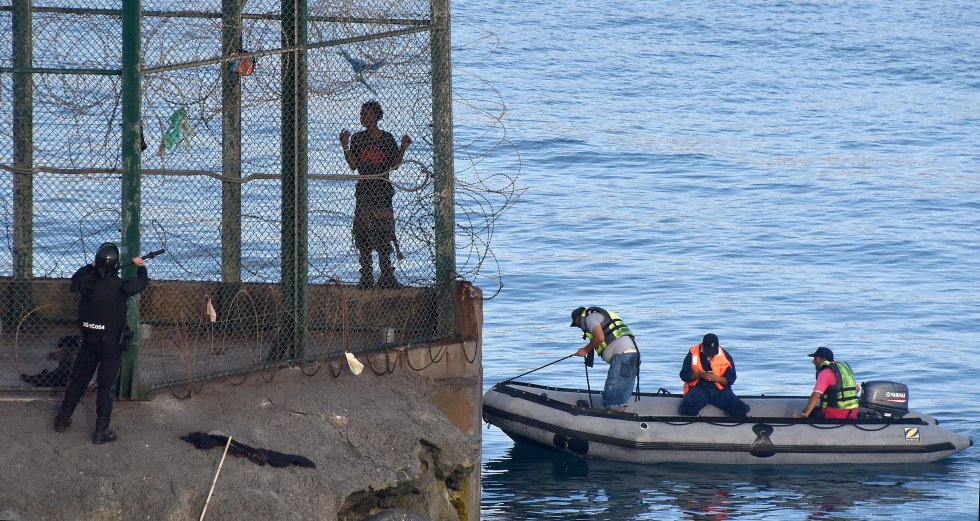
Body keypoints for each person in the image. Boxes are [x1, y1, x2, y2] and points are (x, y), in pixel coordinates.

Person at [53, 242, 149, 444]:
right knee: (106, 387)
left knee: (78, 380)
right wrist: (140, 266)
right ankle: (100, 431)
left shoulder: (85, 282)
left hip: (89, 341)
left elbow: (76, 276)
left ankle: (62, 420)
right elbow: (140, 283)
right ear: (116, 265)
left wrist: (91, 267)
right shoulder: (121, 286)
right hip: (111, 344)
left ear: (97, 262)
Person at [339, 100, 412, 289]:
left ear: (376, 116)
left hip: (382, 193)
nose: (363, 117)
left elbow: (394, 164)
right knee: (362, 234)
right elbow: (354, 165)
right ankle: (366, 276)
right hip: (364, 191)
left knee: (384, 233)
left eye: (367, 114)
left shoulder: (386, 139)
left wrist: (403, 147)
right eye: (361, 114)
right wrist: (345, 146)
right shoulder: (358, 138)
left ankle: (387, 275)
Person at [570, 306, 640, 412]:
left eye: (577, 324)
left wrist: (585, 350)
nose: (579, 328)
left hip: (621, 356)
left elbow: (600, 338)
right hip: (633, 354)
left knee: (612, 392)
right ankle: (619, 419)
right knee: (621, 394)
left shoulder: (590, 318)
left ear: (579, 318)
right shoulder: (601, 315)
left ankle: (610, 420)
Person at [678, 333, 750, 417]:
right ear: (703, 346)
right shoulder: (692, 354)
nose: (711, 354)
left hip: (720, 390)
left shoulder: (726, 356)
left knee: (739, 409)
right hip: (699, 389)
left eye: (713, 351)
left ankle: (741, 409)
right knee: (687, 408)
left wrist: (716, 378)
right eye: (708, 351)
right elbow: (684, 375)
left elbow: (731, 379)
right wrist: (697, 375)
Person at [797, 346, 859, 419]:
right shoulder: (844, 369)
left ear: (823, 359)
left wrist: (804, 416)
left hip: (836, 413)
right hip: (853, 412)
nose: (813, 361)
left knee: (805, 412)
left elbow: (815, 395)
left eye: (815, 358)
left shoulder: (825, 373)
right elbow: (857, 389)